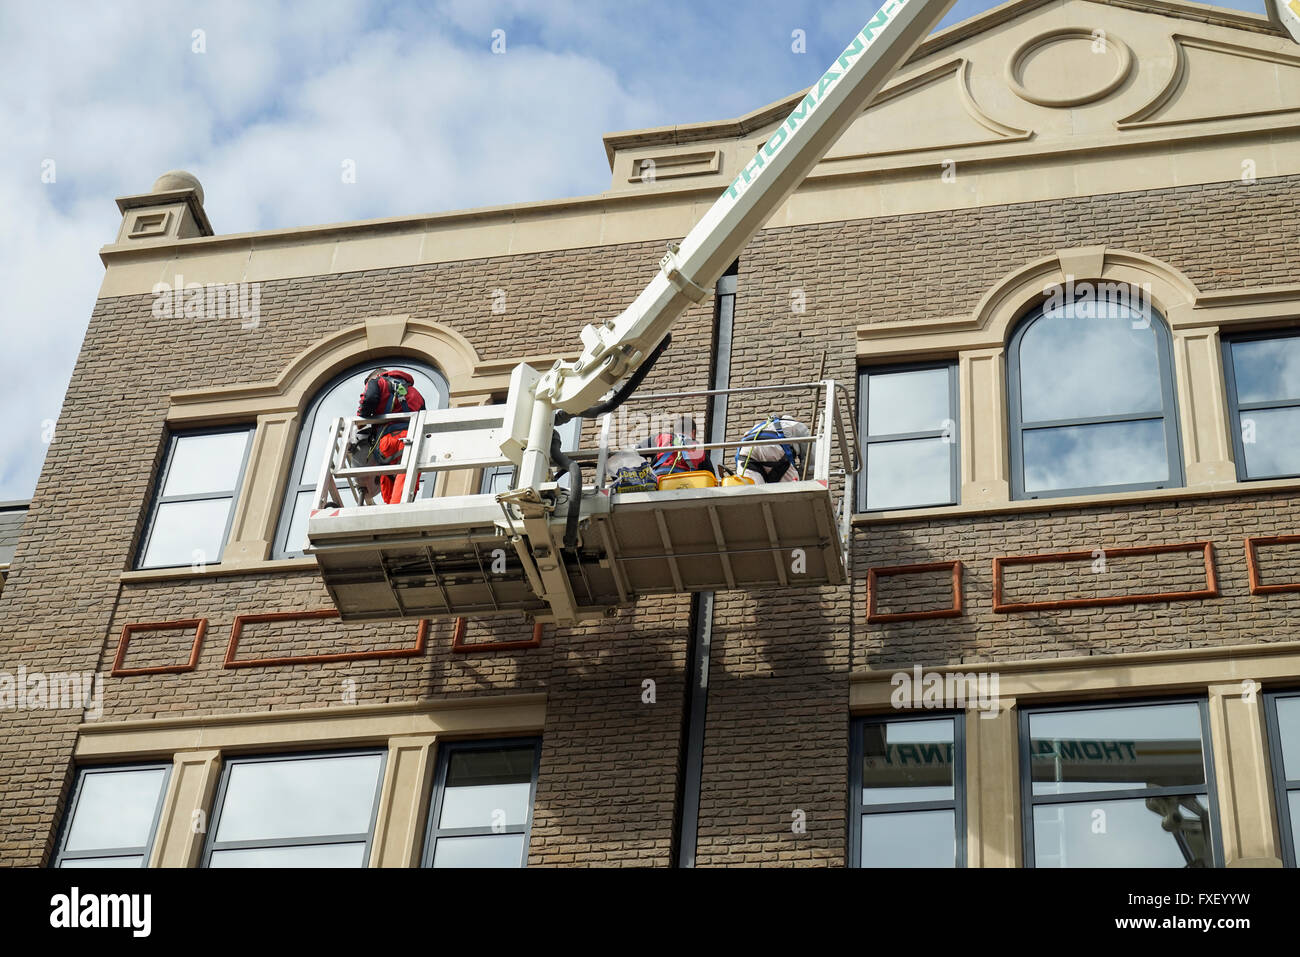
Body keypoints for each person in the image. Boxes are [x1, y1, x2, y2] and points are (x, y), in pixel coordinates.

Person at [355, 369, 426, 504]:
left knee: (387, 475)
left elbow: (368, 400)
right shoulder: (416, 393)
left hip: (388, 442)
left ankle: (391, 508)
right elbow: (423, 420)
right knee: (406, 475)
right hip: (411, 442)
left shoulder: (377, 381)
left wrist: (361, 420)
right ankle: (399, 505)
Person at [734, 414, 811, 483]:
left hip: (746, 453)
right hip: (773, 451)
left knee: (753, 492)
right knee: (790, 493)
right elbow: (811, 461)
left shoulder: (758, 427)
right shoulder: (796, 425)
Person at [637, 414, 706, 478]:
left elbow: (637, 451)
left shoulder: (661, 437)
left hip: (659, 480)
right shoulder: (698, 447)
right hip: (686, 483)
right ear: (693, 432)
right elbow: (710, 475)